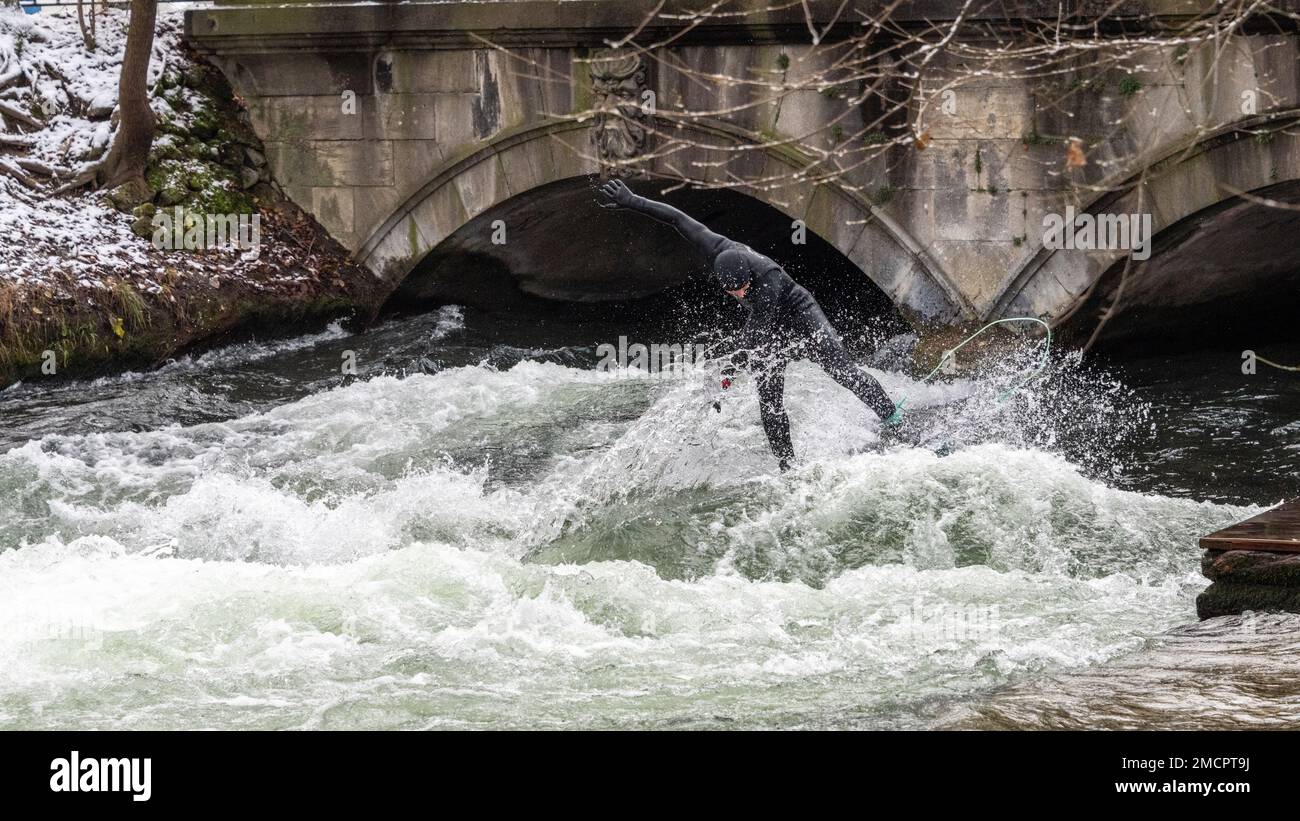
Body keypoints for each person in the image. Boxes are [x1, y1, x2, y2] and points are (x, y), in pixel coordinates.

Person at [597, 179, 901, 471]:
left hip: (799, 315)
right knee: (769, 401)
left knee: (843, 372)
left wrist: (727, 373)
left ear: (749, 276)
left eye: (744, 287)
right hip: (766, 325)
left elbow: (756, 334)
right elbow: (677, 219)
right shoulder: (714, 246)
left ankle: (894, 420)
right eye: (734, 292)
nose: (740, 294)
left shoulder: (766, 277)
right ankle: (788, 467)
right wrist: (632, 201)